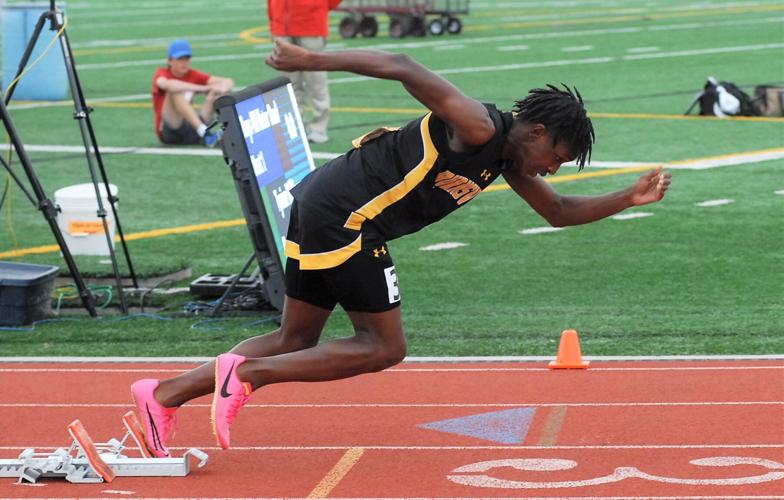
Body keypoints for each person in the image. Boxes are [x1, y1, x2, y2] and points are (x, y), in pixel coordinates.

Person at [131, 40, 672, 457]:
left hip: (321, 206)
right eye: (557, 155)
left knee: (295, 337)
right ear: (535, 131)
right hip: (346, 218)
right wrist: (309, 59)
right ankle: (245, 376)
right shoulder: (478, 125)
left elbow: (558, 213)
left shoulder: (505, 159)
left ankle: (162, 397)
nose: (552, 169)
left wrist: (627, 196)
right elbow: (402, 64)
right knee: (384, 347)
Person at [266, 0, 342, 144]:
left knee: (316, 80)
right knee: (288, 82)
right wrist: (274, 22)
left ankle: (318, 127)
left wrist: (316, 6)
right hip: (281, 26)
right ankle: (294, 125)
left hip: (311, 25)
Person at [152, 39, 235, 147]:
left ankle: (227, 132)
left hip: (191, 129)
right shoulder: (162, 73)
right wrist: (203, 88)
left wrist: (219, 89)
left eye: (187, 58)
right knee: (174, 91)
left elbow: (228, 81)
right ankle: (204, 132)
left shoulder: (192, 74)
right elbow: (166, 85)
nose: (184, 62)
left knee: (218, 94)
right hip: (171, 130)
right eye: (179, 59)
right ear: (170, 61)